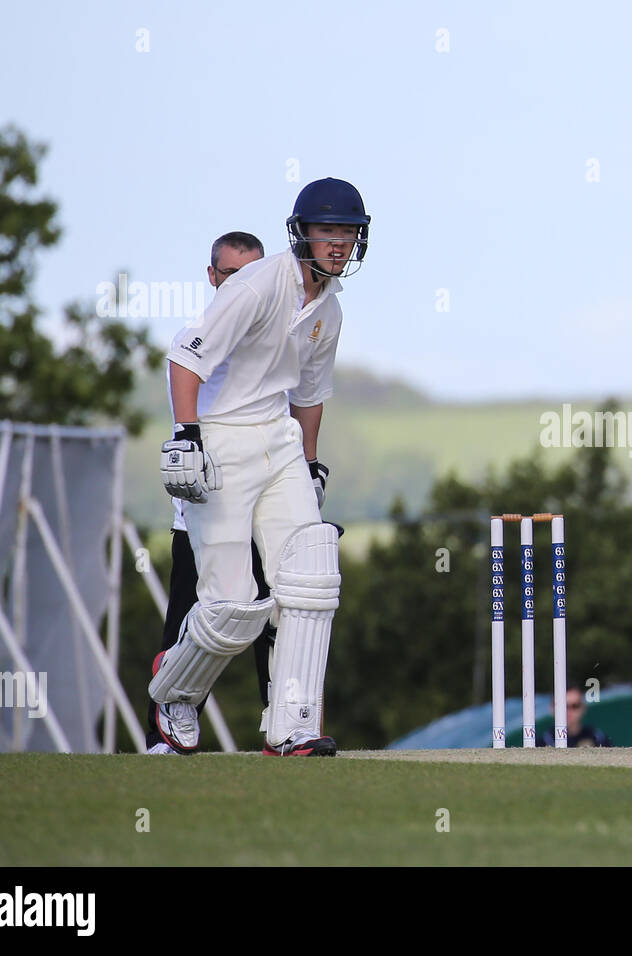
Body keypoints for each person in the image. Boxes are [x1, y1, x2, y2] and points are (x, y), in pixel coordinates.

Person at [151, 178, 367, 757]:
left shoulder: (331, 309)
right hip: (223, 439)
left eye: (348, 232)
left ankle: (292, 725)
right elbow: (185, 356)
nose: (339, 243)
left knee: (310, 580)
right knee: (232, 606)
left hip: (281, 439)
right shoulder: (256, 285)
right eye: (328, 232)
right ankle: (173, 689)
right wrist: (188, 436)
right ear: (301, 233)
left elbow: (311, 395)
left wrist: (313, 465)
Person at [146, 231, 274, 755]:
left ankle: (286, 728)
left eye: (253, 275)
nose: (243, 286)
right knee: (189, 621)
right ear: (211, 277)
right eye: (231, 275)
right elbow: (187, 397)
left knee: (276, 611)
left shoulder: (272, 339)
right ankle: (167, 738)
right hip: (204, 509)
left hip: (260, 505)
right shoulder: (199, 336)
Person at [540, 688, 612, 747]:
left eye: (575, 706)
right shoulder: (541, 743)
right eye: (562, 706)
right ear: (551, 708)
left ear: (583, 708)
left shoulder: (597, 738)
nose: (568, 711)